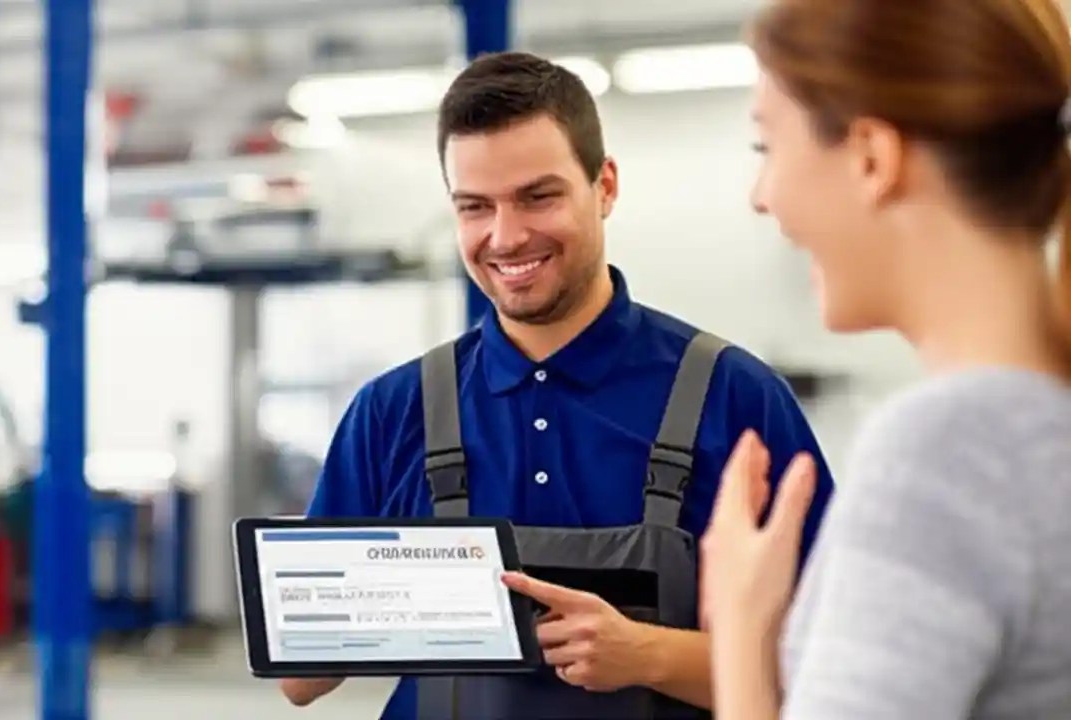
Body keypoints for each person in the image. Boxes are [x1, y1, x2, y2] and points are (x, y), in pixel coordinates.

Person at [280, 51, 836, 720]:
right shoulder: (391, 412)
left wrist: (648, 654)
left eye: (538, 197)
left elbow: (829, 671)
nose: (505, 237)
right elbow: (302, 679)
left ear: (604, 186)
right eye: (474, 207)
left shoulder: (732, 399)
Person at [698, 0, 1071, 718]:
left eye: (766, 148)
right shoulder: (1039, 425)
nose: (761, 197)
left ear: (872, 156)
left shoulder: (948, 451)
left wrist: (742, 631)